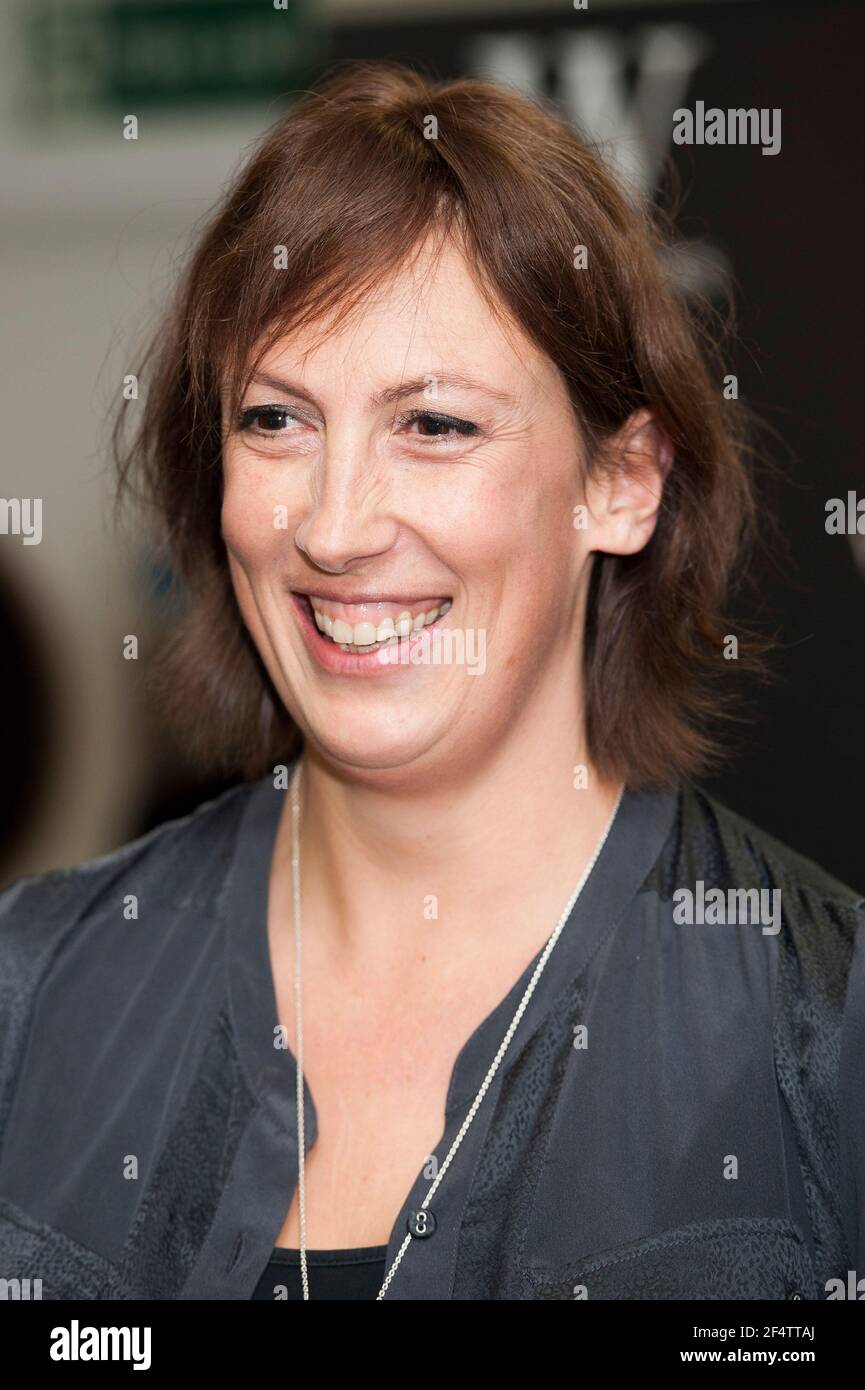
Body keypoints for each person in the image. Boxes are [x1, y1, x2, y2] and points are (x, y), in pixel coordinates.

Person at [0, 62, 862, 1302]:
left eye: (436, 425)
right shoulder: (34, 997)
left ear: (620, 482)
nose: (336, 527)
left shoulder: (820, 1034)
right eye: (275, 420)